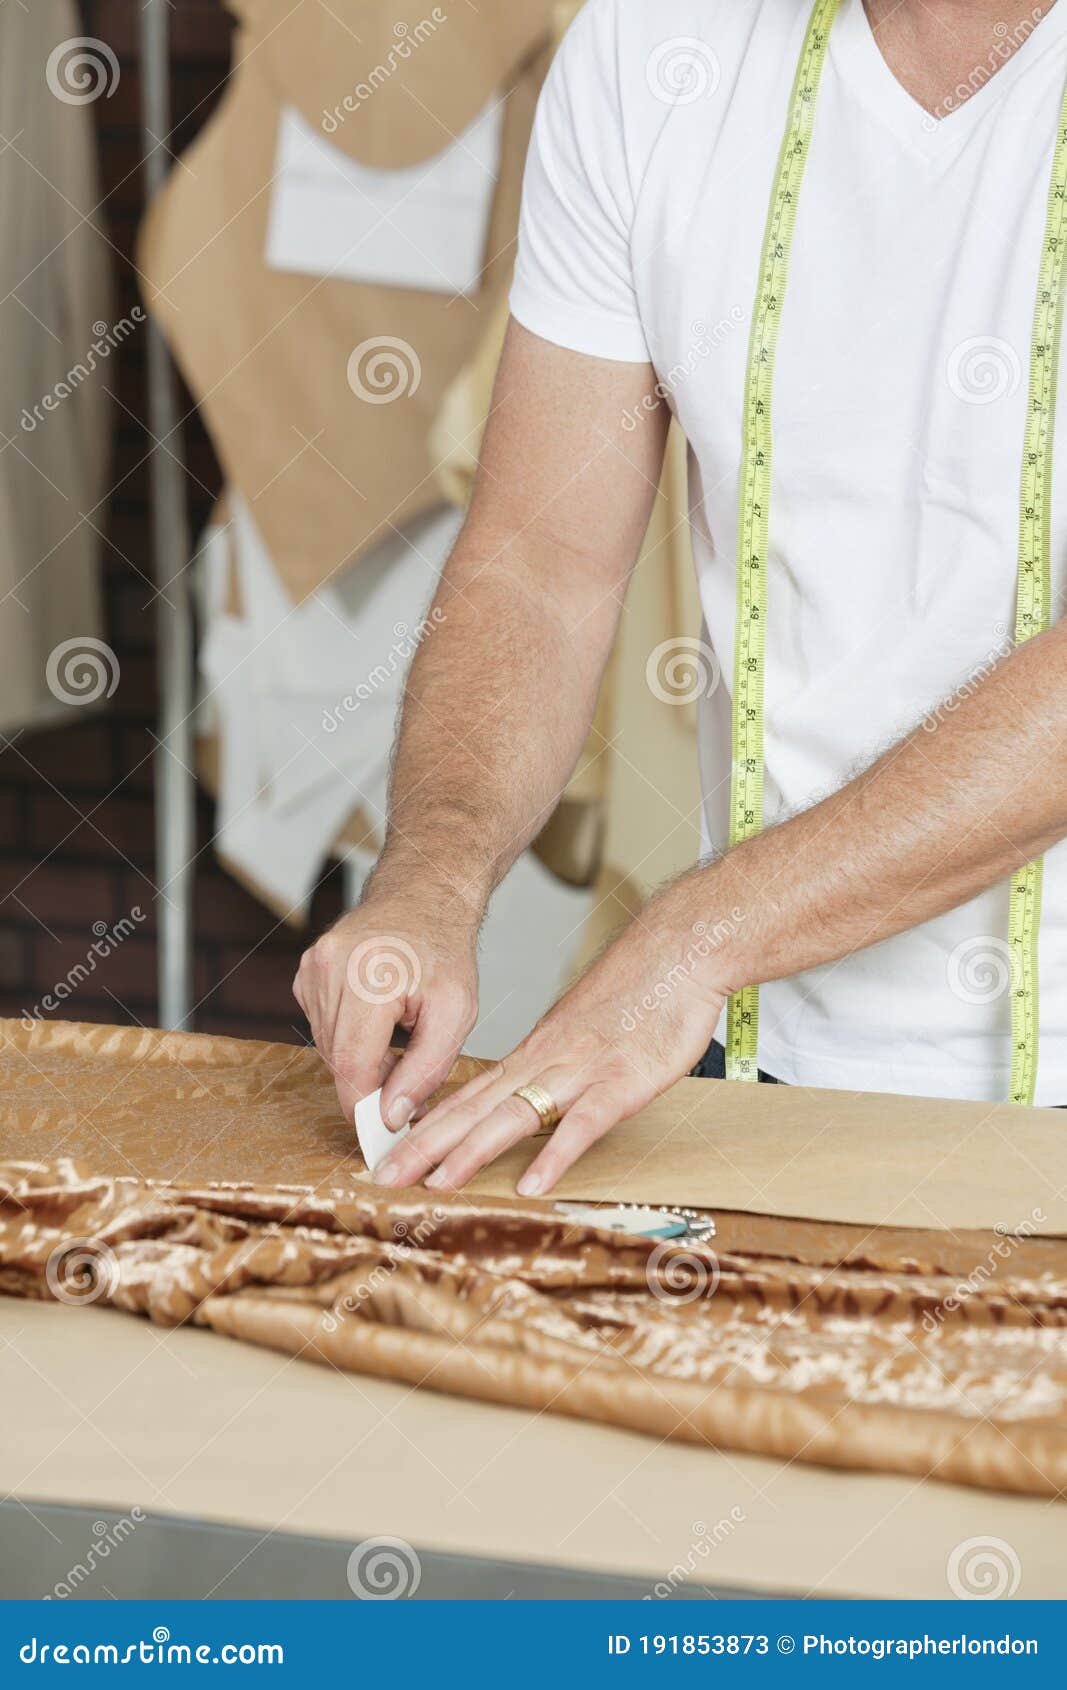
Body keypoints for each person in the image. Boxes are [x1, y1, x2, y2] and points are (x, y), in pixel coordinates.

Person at [294, 0, 1067, 1195]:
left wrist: (694, 939)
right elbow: (539, 564)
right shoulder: (651, 48)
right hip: (772, 1082)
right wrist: (431, 879)